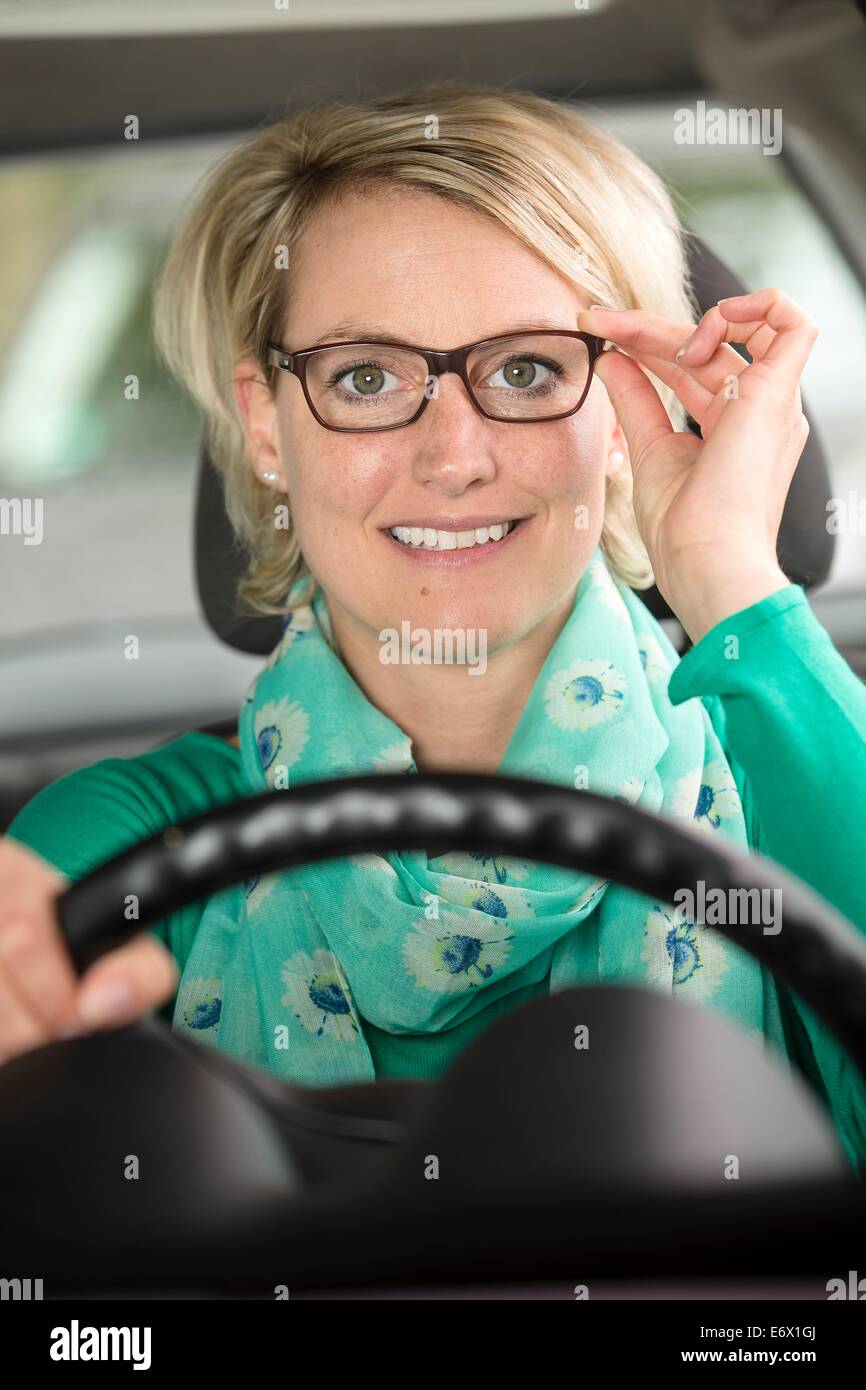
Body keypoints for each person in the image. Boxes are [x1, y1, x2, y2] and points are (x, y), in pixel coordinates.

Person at [3, 82, 866, 1171]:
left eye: (525, 370)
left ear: (623, 410)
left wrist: (727, 573)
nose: (453, 456)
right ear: (267, 426)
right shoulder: (130, 841)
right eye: (365, 377)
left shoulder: (781, 778)